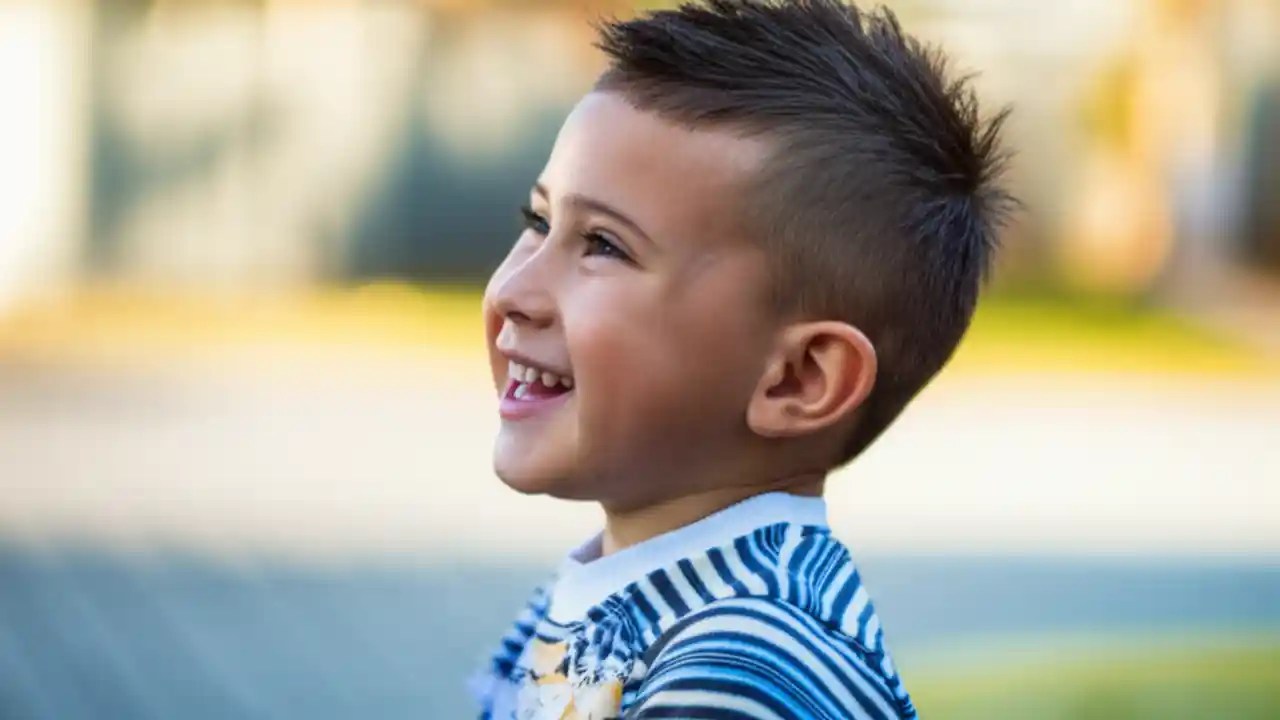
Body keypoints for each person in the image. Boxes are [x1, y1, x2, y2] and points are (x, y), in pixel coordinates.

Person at [469, 1, 1013, 717]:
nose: (514, 290)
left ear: (799, 378)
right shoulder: (610, 587)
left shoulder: (745, 672)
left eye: (603, 245)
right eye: (539, 221)